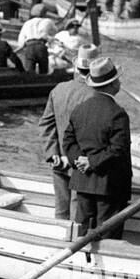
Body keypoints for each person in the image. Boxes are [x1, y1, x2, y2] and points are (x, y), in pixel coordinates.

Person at [63, 56, 131, 237]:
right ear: (112, 84)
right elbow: (118, 150)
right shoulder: (118, 114)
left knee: (82, 230)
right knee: (108, 234)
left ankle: (79, 262)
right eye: (117, 79)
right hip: (109, 185)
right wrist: (91, 162)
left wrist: (80, 160)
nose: (120, 82)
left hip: (83, 182)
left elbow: (68, 142)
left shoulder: (80, 109)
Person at [40, 45, 96, 219]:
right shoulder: (95, 95)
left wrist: (52, 153)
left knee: (61, 211)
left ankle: (60, 244)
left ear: (76, 68)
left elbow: (46, 124)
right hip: (80, 163)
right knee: (77, 214)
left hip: (58, 160)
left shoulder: (58, 90)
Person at [15, 5, 54, 73]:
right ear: (44, 13)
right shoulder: (48, 21)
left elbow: (21, 41)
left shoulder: (27, 23)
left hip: (29, 47)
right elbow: (54, 31)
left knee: (29, 71)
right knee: (43, 70)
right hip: (41, 46)